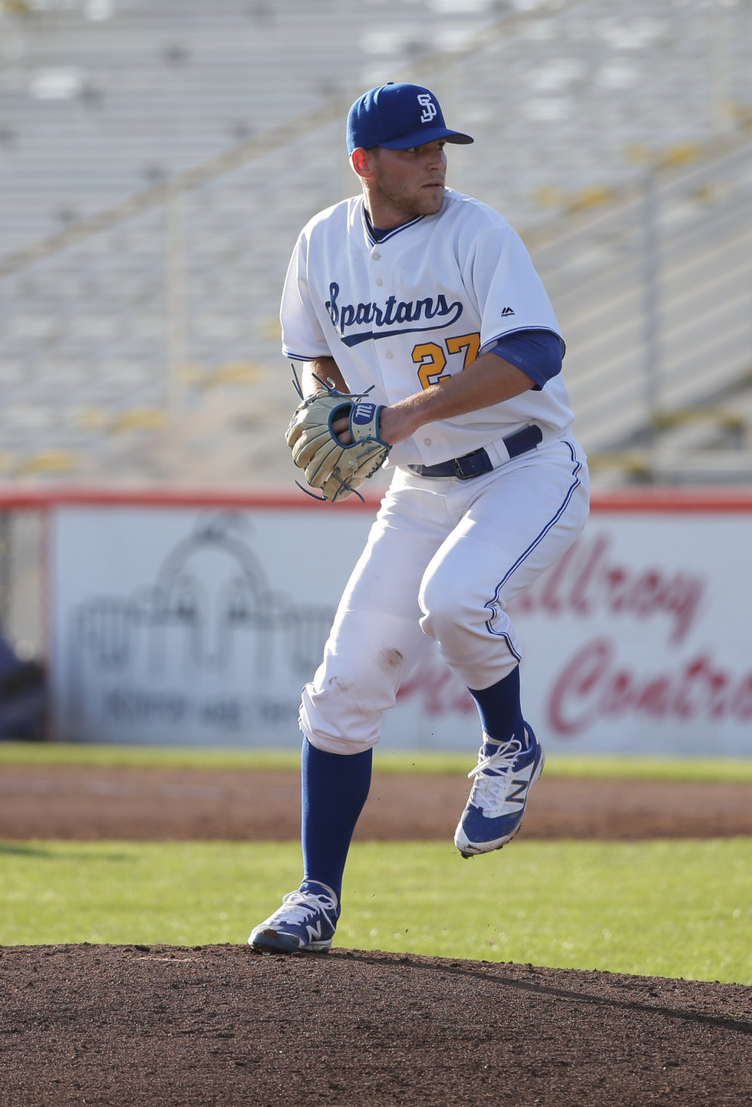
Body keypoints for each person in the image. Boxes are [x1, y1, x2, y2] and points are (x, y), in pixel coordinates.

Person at [249, 82, 590, 954]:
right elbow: (311, 357)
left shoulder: (476, 232)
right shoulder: (322, 243)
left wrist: (403, 415)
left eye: (440, 144)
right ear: (365, 163)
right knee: (344, 687)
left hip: (527, 467)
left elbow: (537, 352)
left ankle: (509, 744)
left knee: (456, 599)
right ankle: (315, 895)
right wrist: (328, 408)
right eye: (412, 149)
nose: (435, 159)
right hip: (420, 488)